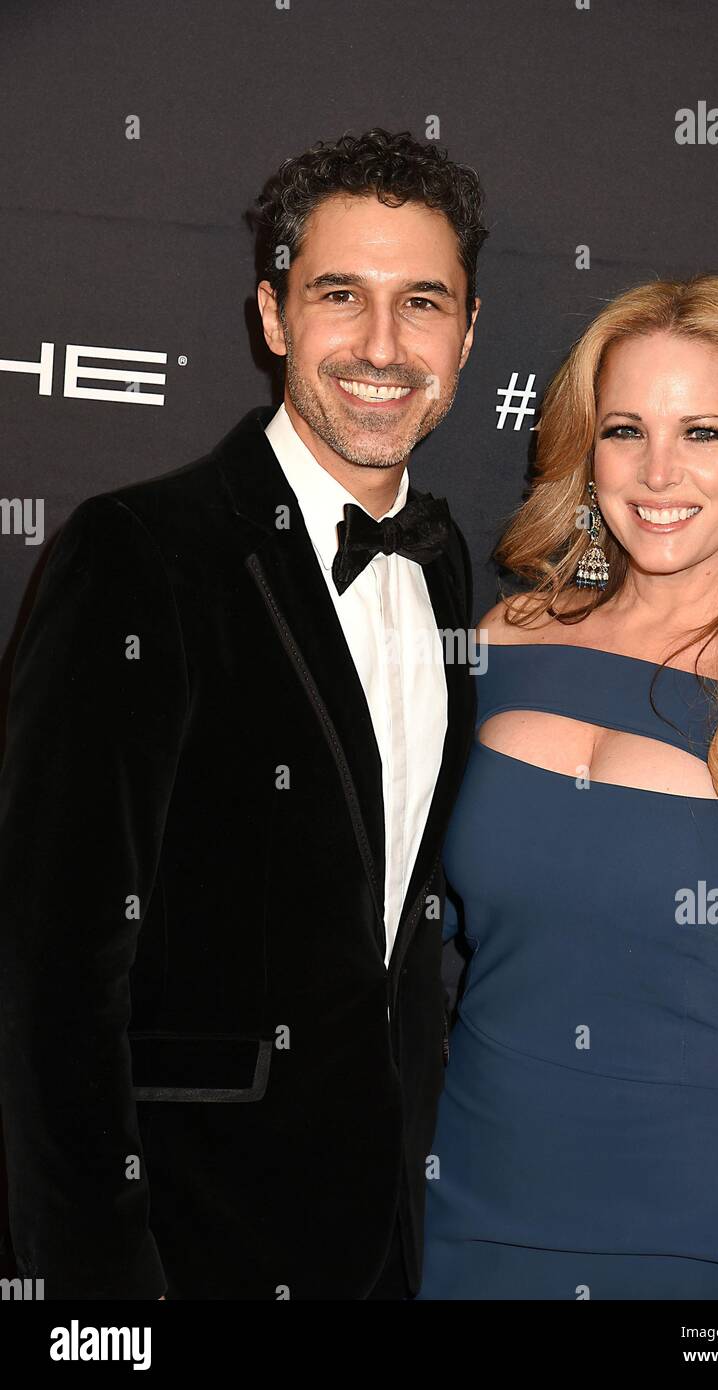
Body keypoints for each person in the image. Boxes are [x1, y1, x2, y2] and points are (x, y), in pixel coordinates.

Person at [0, 128, 485, 1299]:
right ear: (273, 315)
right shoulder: (139, 555)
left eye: (421, 302)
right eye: (339, 295)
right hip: (183, 1237)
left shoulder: (446, 564)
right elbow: (47, 976)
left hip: (379, 1235)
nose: (381, 345)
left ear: (466, 336)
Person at [418, 274, 718, 1301]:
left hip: (697, 1228)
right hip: (461, 1195)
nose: (660, 470)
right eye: (625, 429)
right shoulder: (501, 642)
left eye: (704, 431)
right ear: (586, 453)